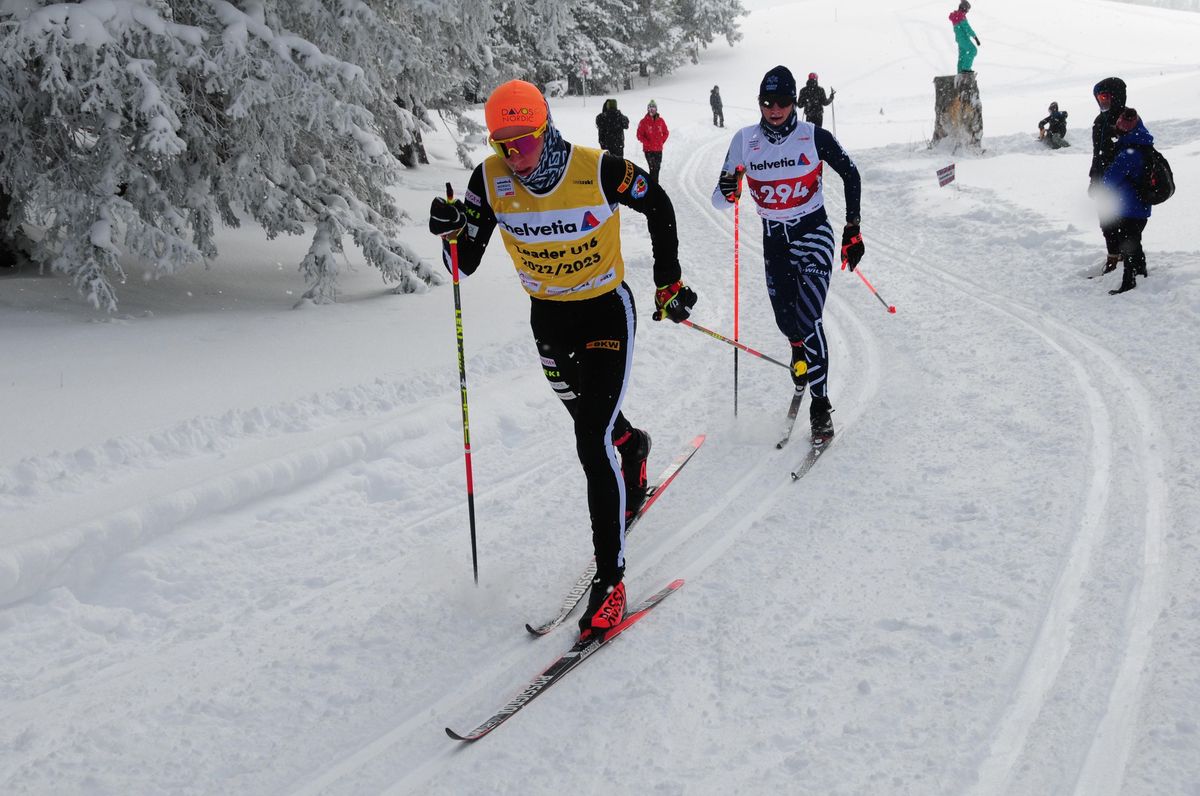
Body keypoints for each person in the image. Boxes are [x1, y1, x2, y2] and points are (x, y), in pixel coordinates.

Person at [427, 80, 697, 640]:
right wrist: (451, 232)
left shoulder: (598, 169)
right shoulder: (489, 180)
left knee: (589, 439)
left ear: (546, 128)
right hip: (548, 320)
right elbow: (463, 263)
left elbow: (658, 203)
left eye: (524, 141)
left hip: (605, 313)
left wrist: (667, 281)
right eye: (502, 144)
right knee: (592, 422)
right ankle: (633, 446)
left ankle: (611, 582)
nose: (514, 155)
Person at [710, 65, 863, 443]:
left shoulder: (813, 136)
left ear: (794, 101)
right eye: (767, 102)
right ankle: (799, 353)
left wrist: (852, 228)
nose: (774, 109)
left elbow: (851, 173)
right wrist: (729, 188)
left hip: (813, 233)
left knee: (809, 318)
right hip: (774, 240)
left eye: (782, 101)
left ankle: (820, 405)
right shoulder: (744, 140)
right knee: (787, 321)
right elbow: (719, 200)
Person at [1100, 108, 1153, 295]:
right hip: (1142, 205)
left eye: (1120, 128)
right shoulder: (1144, 144)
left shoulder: (1128, 153)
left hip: (1128, 207)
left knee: (1128, 244)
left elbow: (1109, 180)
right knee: (1134, 242)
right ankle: (1141, 272)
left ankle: (1128, 282)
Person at [1089, 77, 1128, 273]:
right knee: (1106, 220)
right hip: (1104, 180)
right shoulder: (1100, 121)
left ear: (1116, 96)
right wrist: (1093, 178)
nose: (1102, 102)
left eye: (1105, 97)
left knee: (1125, 222)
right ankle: (1114, 256)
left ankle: (1126, 260)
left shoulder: (1127, 119)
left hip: (1123, 181)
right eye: (1099, 98)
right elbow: (1097, 154)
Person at [636, 100, 669, 182]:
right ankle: (654, 185)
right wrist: (647, 143)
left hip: (658, 149)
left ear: (656, 109)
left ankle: (653, 185)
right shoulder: (643, 122)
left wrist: (661, 141)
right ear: (648, 109)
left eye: (653, 108)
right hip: (648, 150)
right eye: (650, 108)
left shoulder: (661, 120)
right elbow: (639, 135)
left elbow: (666, 132)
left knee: (657, 169)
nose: (652, 110)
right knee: (652, 168)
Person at [949, 1, 980, 74]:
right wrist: (975, 37)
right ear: (964, 8)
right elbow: (967, 28)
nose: (967, 12)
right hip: (964, 38)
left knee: (962, 56)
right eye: (967, 9)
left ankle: (960, 72)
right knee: (973, 50)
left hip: (959, 39)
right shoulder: (960, 16)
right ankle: (966, 68)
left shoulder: (956, 16)